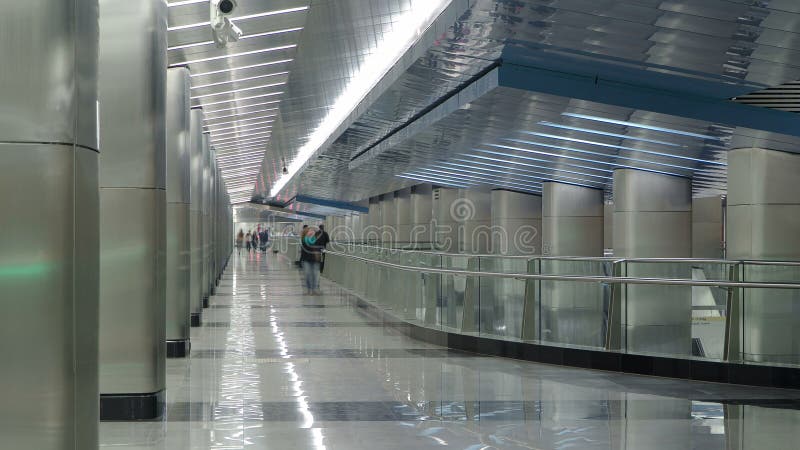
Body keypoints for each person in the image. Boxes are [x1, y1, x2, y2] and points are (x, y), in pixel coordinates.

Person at [300, 226, 322, 295]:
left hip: (315, 260)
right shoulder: (304, 240)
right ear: (306, 233)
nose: (311, 232)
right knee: (307, 274)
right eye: (309, 231)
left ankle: (314, 289)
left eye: (312, 231)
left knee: (315, 275)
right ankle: (309, 289)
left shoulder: (316, 240)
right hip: (306, 259)